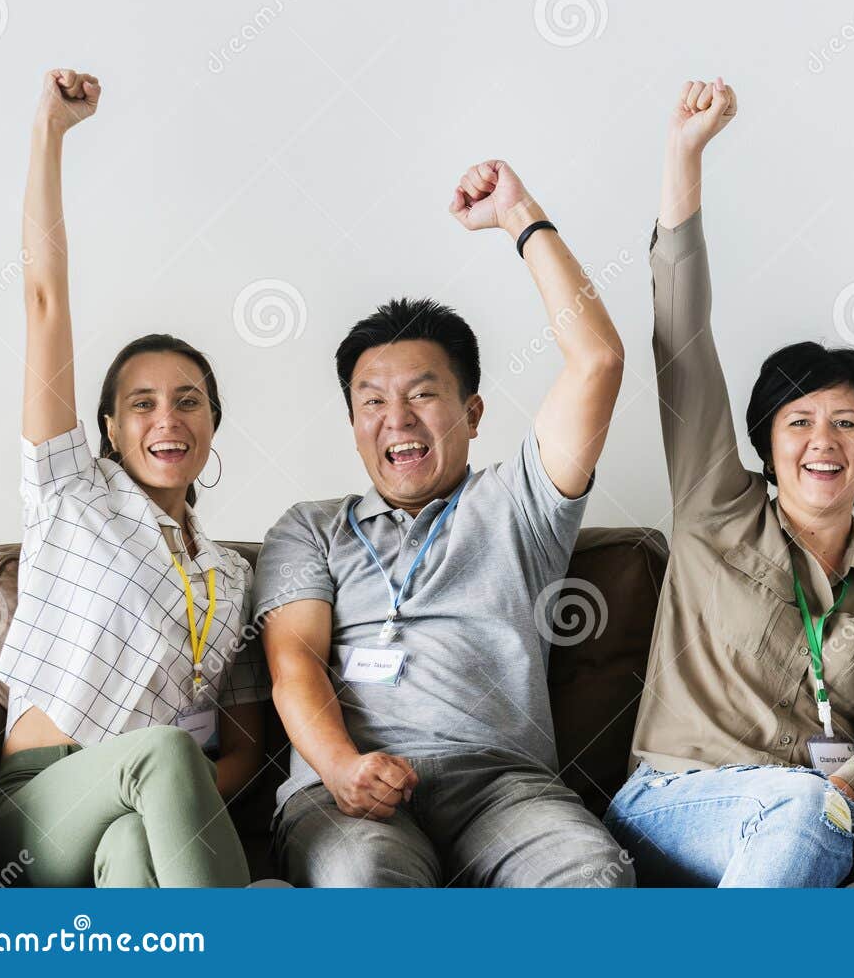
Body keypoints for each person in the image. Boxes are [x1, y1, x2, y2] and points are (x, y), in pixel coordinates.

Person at [604, 78, 854, 888]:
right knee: (801, 808)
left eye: (846, 423)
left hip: (833, 795)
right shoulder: (713, 505)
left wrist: (840, 789)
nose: (822, 441)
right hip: (680, 795)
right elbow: (681, 337)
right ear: (766, 445)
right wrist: (684, 156)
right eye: (798, 422)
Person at [255, 159, 630, 887]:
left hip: (503, 788)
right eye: (372, 402)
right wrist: (341, 767)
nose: (396, 419)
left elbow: (599, 359)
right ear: (354, 422)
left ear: (474, 412)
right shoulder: (311, 527)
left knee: (593, 874)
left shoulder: (519, 502)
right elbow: (292, 660)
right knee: (365, 881)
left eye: (423, 394)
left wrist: (521, 217)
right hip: (349, 790)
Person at [0, 69, 268, 888]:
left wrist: (182, 808)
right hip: (31, 814)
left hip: (141, 805)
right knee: (162, 753)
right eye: (141, 403)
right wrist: (50, 132)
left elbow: (241, 745)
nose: (166, 419)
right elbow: (43, 300)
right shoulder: (71, 494)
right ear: (108, 427)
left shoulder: (233, 574)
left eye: (188, 401)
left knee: (139, 862)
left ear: (211, 422)